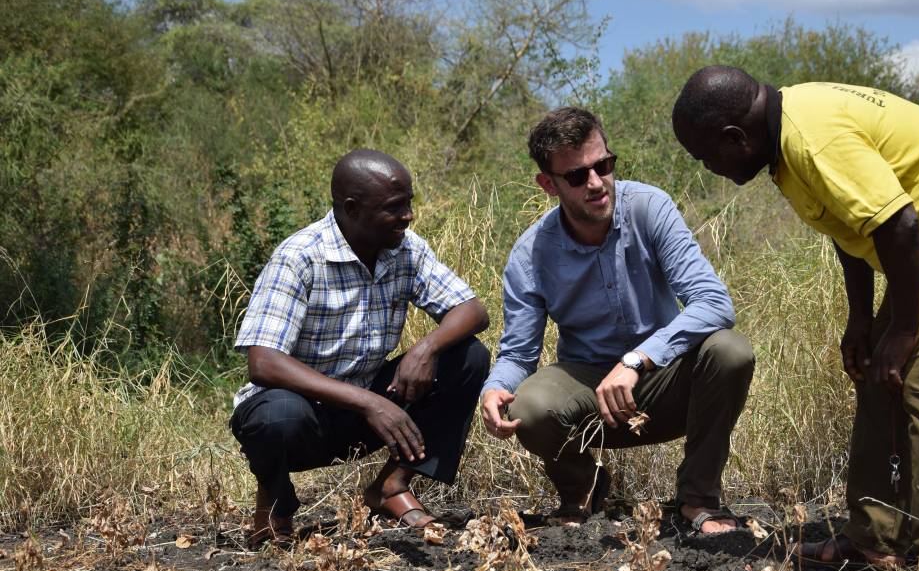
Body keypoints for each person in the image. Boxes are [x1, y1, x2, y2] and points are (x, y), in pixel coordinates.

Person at [672, 66, 919, 571]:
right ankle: (875, 541)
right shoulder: (785, 141)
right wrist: (862, 320)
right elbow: (852, 225)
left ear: (735, 137)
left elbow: (899, 223)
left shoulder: (812, 140)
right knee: (881, 372)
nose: (711, 169)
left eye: (707, 157)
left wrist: (903, 330)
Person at [479, 107, 755, 534]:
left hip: (664, 377)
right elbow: (518, 353)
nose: (596, 183)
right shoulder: (530, 254)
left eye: (603, 165)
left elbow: (714, 303)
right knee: (528, 406)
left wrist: (637, 360)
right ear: (549, 185)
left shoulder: (649, 207)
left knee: (730, 351)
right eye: (577, 176)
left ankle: (699, 497)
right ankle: (583, 490)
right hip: (591, 397)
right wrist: (495, 387)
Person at [229, 149, 490, 546]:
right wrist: (369, 403)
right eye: (394, 207)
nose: (408, 216)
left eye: (408, 203)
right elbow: (262, 362)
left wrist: (425, 349)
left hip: (368, 408)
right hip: (302, 418)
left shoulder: (405, 248)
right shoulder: (300, 257)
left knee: (468, 357)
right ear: (352, 209)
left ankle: (391, 486)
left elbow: (472, 310)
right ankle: (275, 504)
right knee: (275, 415)